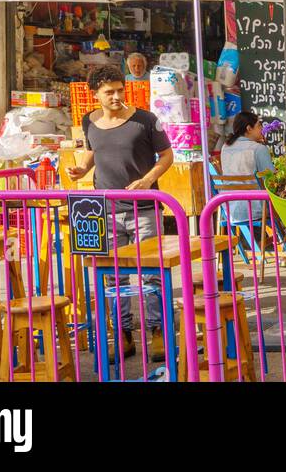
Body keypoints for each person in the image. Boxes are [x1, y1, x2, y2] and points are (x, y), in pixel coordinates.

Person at [68, 64, 174, 359]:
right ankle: (123, 335)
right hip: (106, 210)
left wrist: (149, 179)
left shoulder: (145, 120)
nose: (116, 96)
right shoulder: (88, 121)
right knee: (114, 278)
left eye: (119, 90)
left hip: (144, 210)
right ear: (96, 95)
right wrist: (82, 168)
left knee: (153, 275)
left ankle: (158, 334)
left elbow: (167, 155)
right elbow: (93, 151)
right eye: (109, 92)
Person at [220, 111, 274, 225]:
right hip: (257, 209)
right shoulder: (258, 149)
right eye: (259, 125)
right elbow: (271, 181)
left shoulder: (225, 147)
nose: (262, 129)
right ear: (249, 128)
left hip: (230, 209)